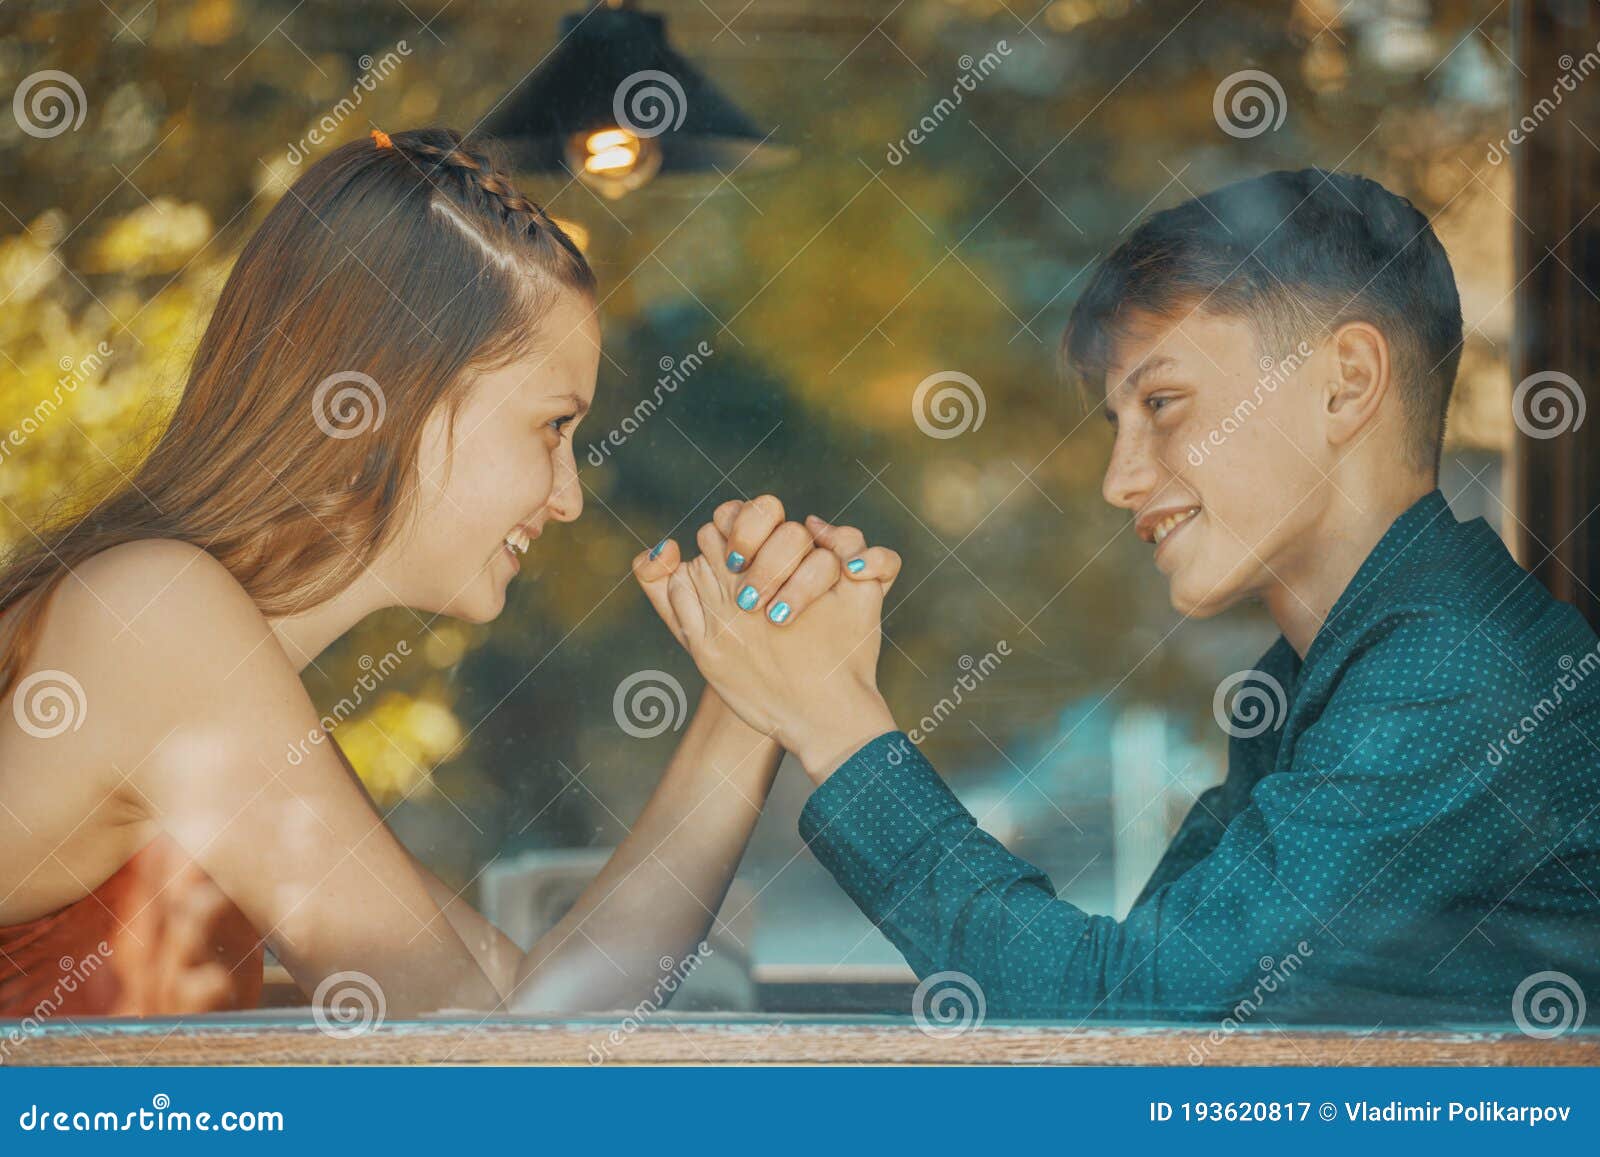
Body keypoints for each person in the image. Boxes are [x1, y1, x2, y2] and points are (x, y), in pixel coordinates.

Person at [661, 169, 1600, 1024]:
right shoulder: (1333, 675)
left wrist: (837, 725)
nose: (1119, 479)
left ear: (1346, 383)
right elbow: (1142, 987)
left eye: (1161, 404)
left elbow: (1128, 1025)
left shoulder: (1455, 676)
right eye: (1118, 421)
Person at [0, 127, 877, 1019]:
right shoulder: (151, 617)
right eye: (553, 426)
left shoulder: (201, 657)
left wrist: (746, 701)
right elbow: (479, 1059)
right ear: (397, 397)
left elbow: (527, 1008)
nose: (569, 496)